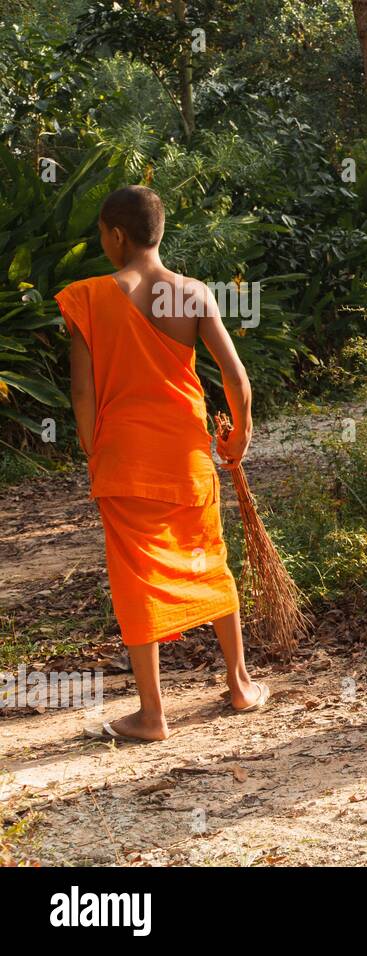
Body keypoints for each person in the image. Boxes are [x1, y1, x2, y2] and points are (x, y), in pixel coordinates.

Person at [59, 185, 266, 742]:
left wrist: (93, 450)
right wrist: (238, 439)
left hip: (125, 456)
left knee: (136, 575)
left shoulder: (87, 297)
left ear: (116, 236)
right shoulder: (192, 294)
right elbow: (237, 380)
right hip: (186, 453)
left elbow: (83, 393)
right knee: (208, 556)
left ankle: (152, 715)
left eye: (103, 234)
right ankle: (241, 683)